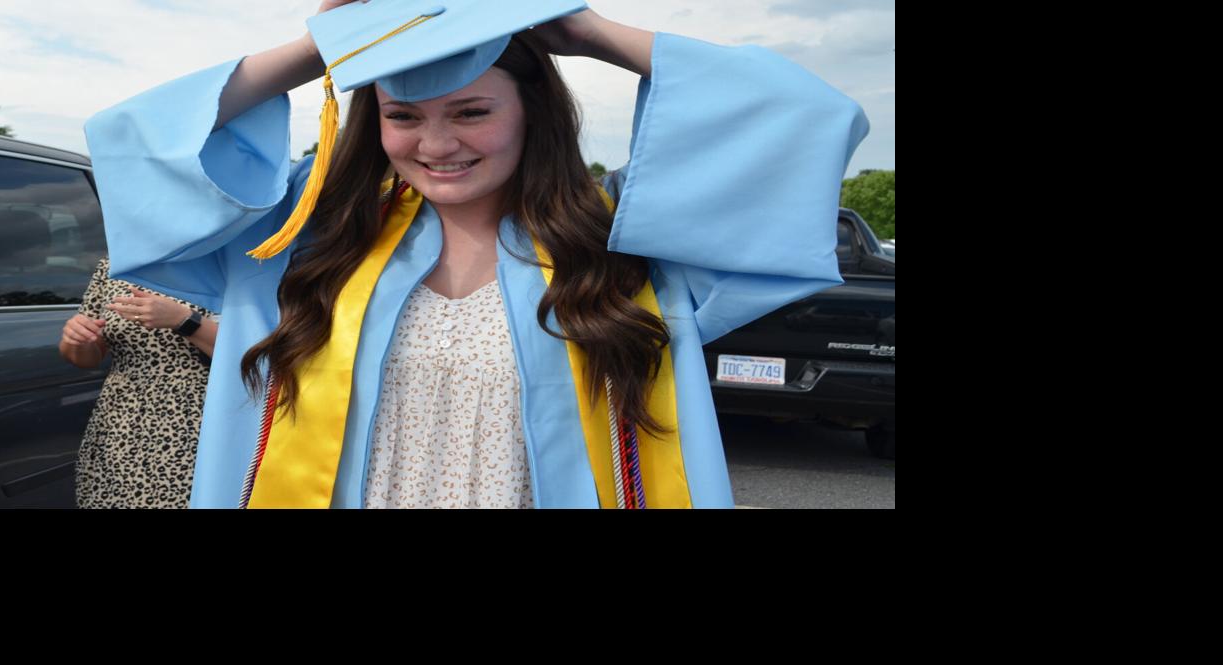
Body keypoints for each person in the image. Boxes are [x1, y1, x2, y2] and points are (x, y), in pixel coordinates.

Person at [85, 0, 867, 508]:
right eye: (403, 116)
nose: (436, 144)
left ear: (532, 113)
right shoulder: (310, 242)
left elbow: (802, 117)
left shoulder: (624, 256)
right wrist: (322, 47)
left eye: (471, 111)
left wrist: (583, 29)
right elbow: (138, 139)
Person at [60, 257, 220, 508]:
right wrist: (77, 339)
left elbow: (257, 352)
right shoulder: (115, 263)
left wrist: (184, 320)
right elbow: (85, 357)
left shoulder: (227, 255)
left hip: (198, 429)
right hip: (119, 431)